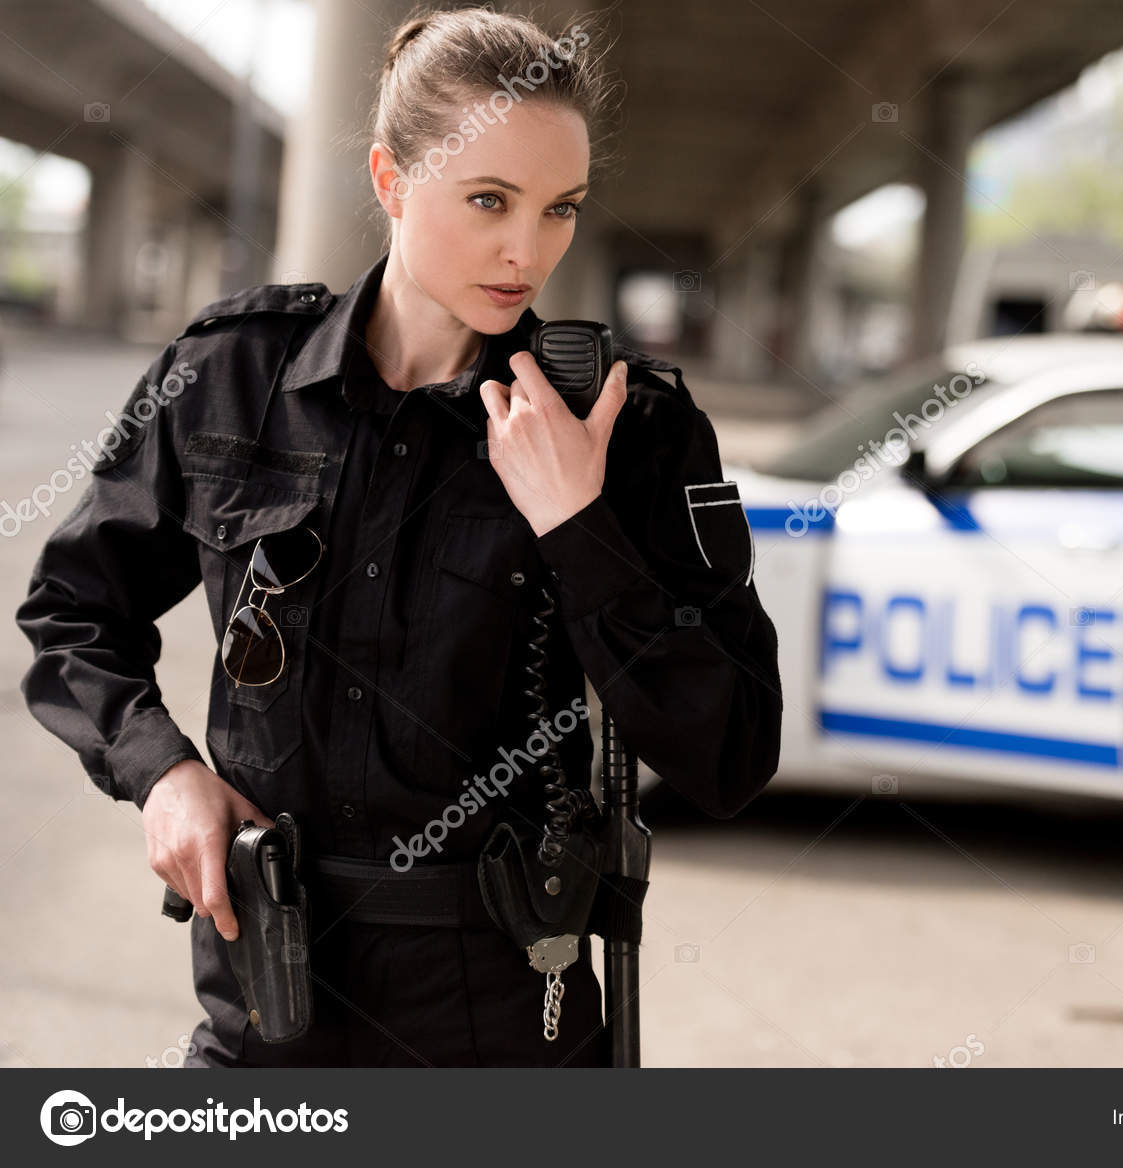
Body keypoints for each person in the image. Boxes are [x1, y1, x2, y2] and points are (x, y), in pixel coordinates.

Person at [15, 7, 782, 1066]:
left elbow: (730, 752)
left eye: (560, 208)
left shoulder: (624, 426)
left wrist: (577, 524)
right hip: (264, 1001)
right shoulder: (231, 375)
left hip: (504, 1022)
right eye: (488, 200)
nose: (527, 250)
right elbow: (72, 610)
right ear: (390, 179)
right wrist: (161, 771)